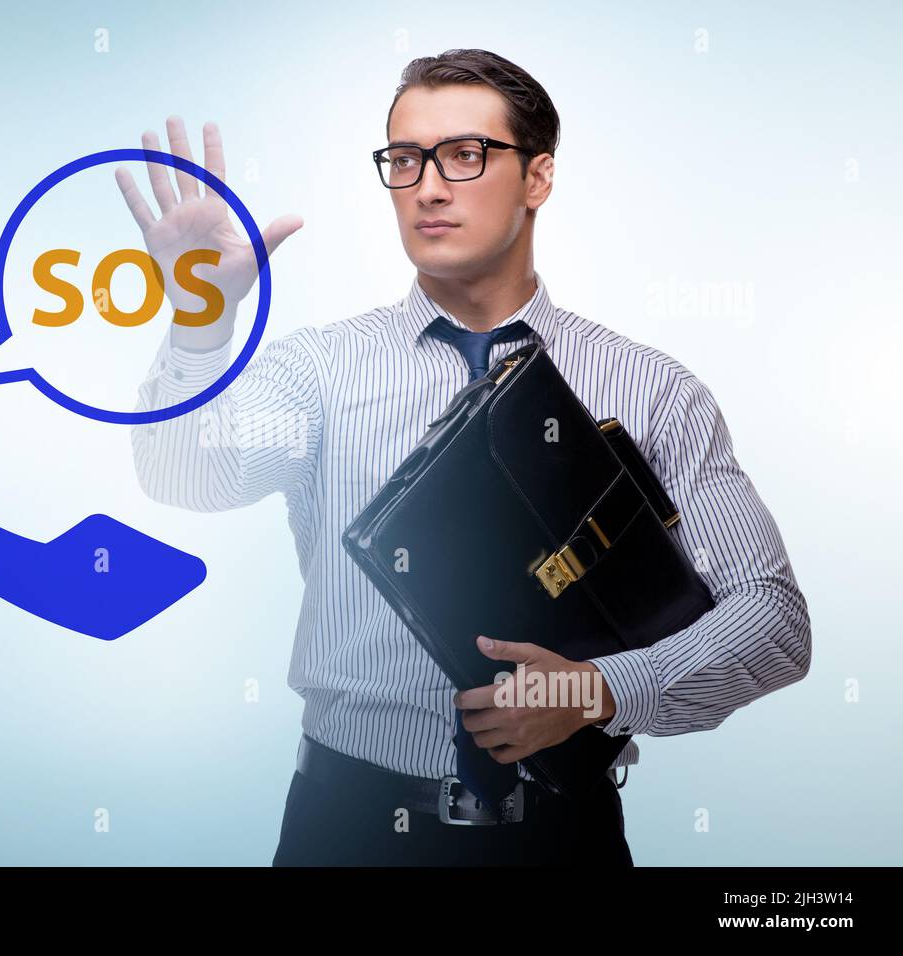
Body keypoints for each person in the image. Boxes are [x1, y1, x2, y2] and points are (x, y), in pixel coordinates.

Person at [117, 48, 811, 866]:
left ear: (539, 179)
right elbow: (183, 474)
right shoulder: (321, 370)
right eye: (405, 160)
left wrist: (599, 691)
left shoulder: (652, 388)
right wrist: (201, 322)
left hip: (562, 835)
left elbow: (773, 619)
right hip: (349, 828)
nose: (429, 186)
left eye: (465, 154)